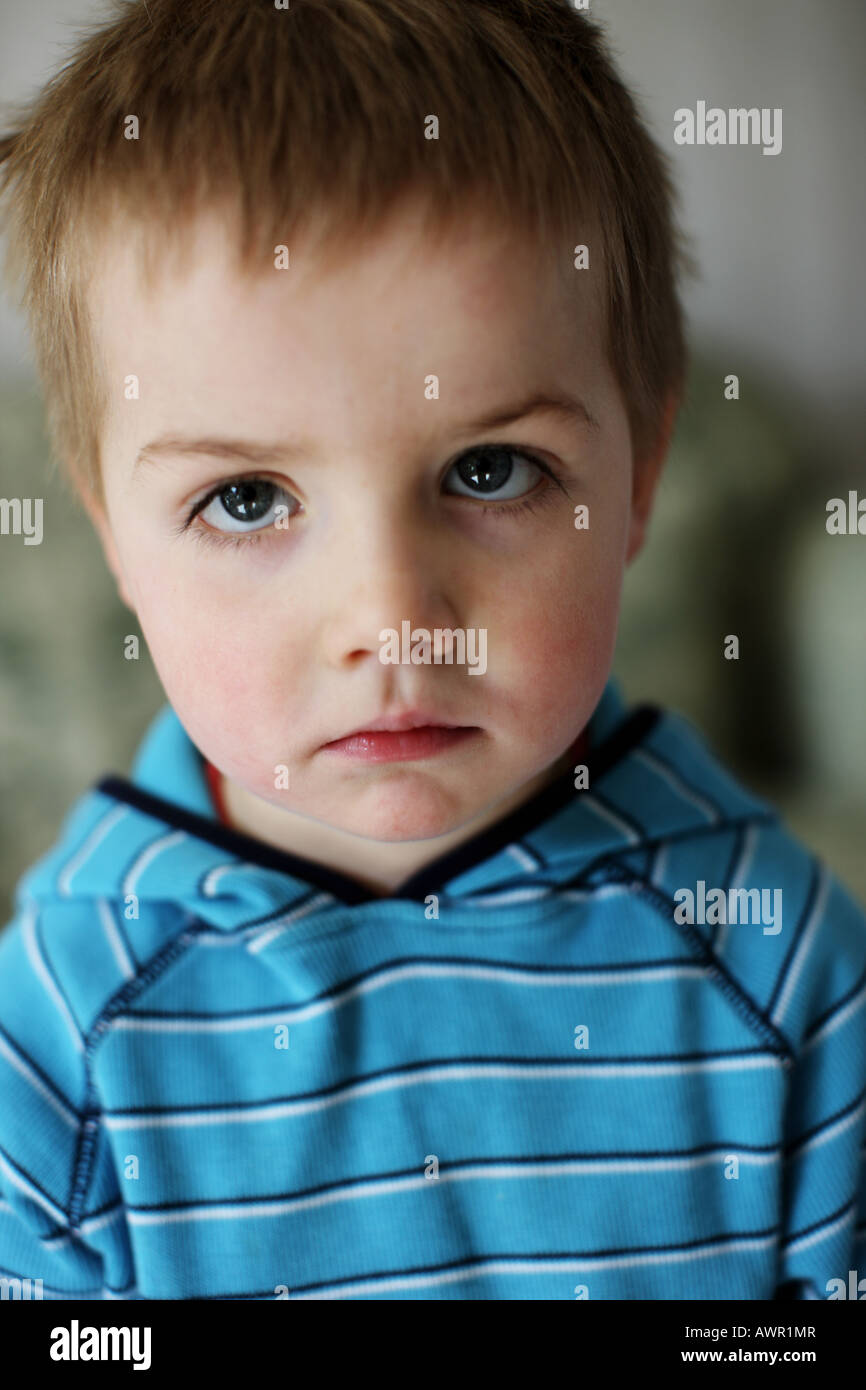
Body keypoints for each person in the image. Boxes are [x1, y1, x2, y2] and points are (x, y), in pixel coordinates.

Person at [0, 0, 862, 1301]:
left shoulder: (774, 953)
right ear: (114, 529)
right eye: (246, 498)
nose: (390, 617)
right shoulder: (62, 1023)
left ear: (640, 472)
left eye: (489, 468)